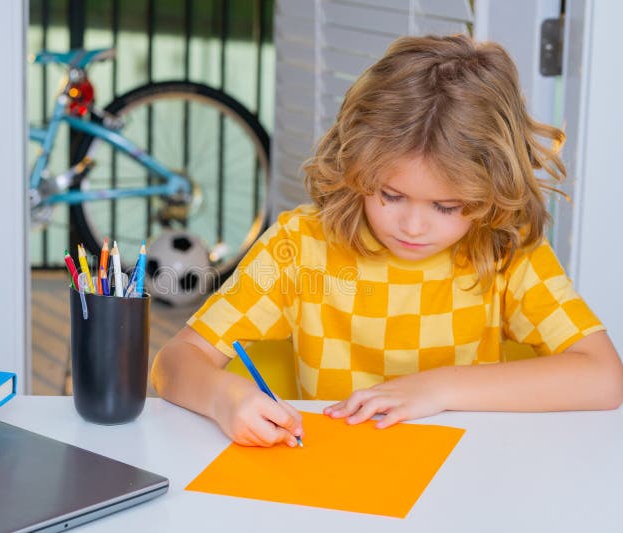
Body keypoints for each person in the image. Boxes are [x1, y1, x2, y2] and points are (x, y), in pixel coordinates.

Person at [150, 34, 623, 448]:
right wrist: (223, 395)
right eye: (392, 195)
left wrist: (435, 389)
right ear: (356, 165)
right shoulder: (300, 247)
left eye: (447, 206)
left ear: (492, 190)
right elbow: (174, 363)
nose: (414, 226)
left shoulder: (504, 248)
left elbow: (604, 377)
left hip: (466, 481)